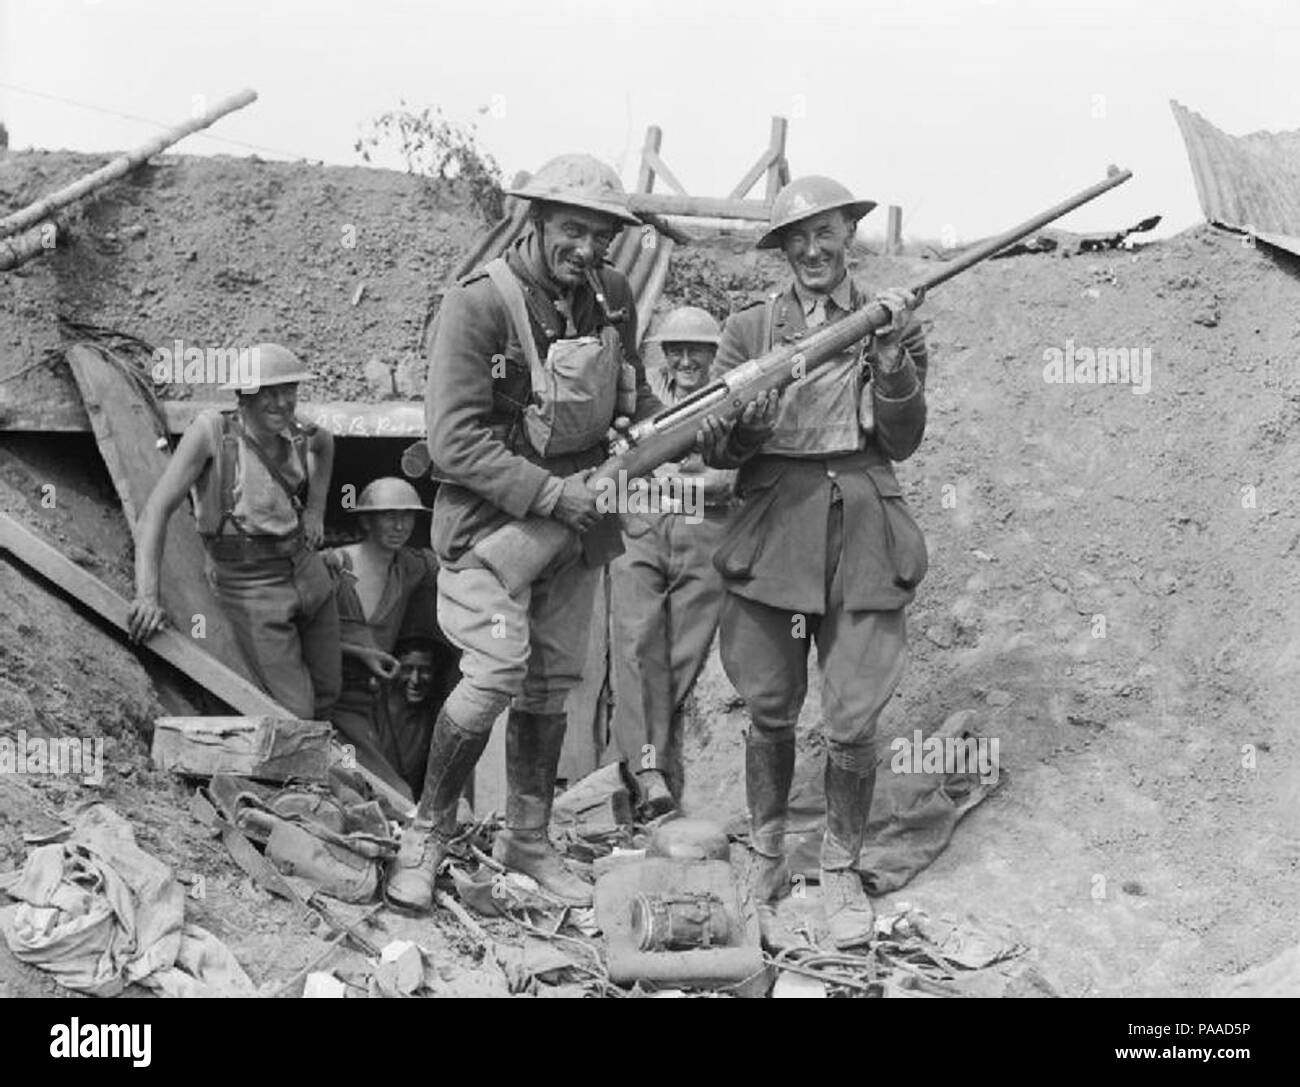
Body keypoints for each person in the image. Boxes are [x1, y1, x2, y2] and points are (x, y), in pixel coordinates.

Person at [386, 153, 665, 911]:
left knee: (551, 683)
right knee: (495, 672)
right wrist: (550, 493)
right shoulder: (477, 305)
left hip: (577, 528)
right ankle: (427, 828)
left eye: (600, 235)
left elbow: (631, 399)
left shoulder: (611, 297)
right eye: (573, 229)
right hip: (491, 528)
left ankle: (530, 840)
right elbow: (453, 441)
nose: (586, 249)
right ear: (536, 220)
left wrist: (649, 435)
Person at [704, 175, 931, 948]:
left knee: (854, 710)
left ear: (848, 234)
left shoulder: (888, 318)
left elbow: (901, 439)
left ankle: (839, 866)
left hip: (863, 513)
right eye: (794, 238)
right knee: (768, 699)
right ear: (781, 250)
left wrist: (893, 360)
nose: (810, 249)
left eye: (823, 232)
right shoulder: (748, 329)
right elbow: (713, 443)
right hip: (774, 517)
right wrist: (745, 427)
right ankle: (767, 851)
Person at [127, 343, 340, 721]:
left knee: (329, 690)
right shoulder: (213, 432)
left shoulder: (296, 430)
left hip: (307, 573)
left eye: (288, 390)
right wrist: (146, 595)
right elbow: (155, 512)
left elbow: (325, 444)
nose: (281, 403)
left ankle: (327, 767)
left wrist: (315, 512)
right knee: (295, 711)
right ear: (243, 395)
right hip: (251, 586)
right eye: (267, 393)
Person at [607, 306, 735, 818]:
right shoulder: (640, 395)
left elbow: (728, 480)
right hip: (640, 526)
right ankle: (648, 771)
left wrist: (671, 482)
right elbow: (617, 456)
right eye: (675, 349)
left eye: (697, 350)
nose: (686, 360)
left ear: (713, 352)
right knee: (638, 640)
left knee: (685, 646)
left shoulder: (731, 394)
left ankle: (645, 758)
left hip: (704, 531)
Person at [325, 477, 445, 800]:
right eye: (389, 515)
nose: (400, 525)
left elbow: (457, 567)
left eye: (407, 516)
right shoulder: (334, 566)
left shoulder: (408, 567)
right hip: (332, 705)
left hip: (374, 706)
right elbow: (300, 640)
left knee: (387, 782)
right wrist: (356, 652)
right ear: (366, 519)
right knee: (389, 791)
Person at [375, 635, 459, 800]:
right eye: (407, 670)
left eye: (425, 671)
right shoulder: (374, 711)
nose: (415, 679)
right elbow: (348, 756)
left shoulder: (439, 718)